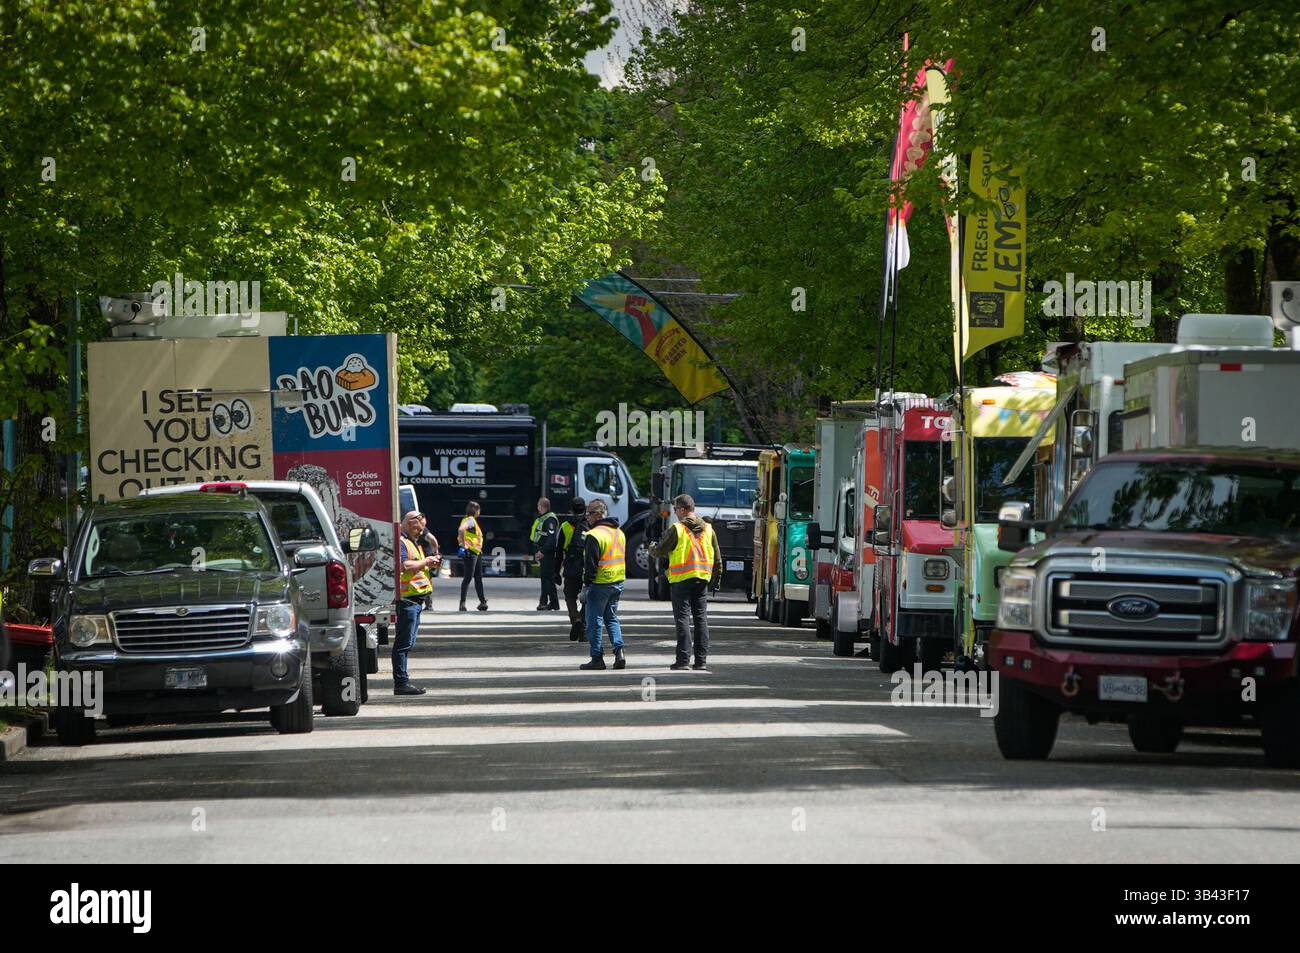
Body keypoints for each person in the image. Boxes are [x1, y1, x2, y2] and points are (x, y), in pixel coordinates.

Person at [654, 493, 721, 671]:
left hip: (682, 580)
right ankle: (701, 661)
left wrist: (652, 548)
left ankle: (683, 660)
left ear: (683, 509)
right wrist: (716, 580)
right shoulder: (708, 529)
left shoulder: (677, 529)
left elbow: (661, 550)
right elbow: (718, 559)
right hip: (702, 580)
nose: (675, 512)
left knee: (682, 619)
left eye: (676, 509)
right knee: (701, 619)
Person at [394, 510, 438, 695]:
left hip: (415, 601)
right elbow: (405, 566)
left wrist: (430, 563)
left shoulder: (414, 543)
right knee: (403, 644)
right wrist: (427, 561)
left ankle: (402, 682)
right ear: (411, 522)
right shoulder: (402, 542)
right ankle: (401, 683)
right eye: (419, 528)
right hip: (407, 600)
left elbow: (418, 567)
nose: (421, 532)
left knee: (407, 643)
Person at [580, 499, 626, 670]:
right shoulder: (619, 533)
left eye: (590, 513)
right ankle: (619, 652)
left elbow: (590, 565)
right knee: (612, 618)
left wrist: (586, 586)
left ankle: (597, 658)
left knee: (594, 621)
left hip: (600, 584)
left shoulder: (595, 535)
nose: (587, 517)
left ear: (599, 514)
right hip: (617, 582)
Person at [555, 497, 589, 641]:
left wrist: (556, 571)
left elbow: (559, 551)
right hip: (586, 567)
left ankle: (575, 619)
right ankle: (583, 627)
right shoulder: (590, 525)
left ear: (572, 509)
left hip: (570, 567)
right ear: (585, 508)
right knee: (587, 598)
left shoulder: (565, 526)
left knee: (570, 597)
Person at [530, 497, 561, 611]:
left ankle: (544, 602)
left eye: (539, 505)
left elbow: (551, 539)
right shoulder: (544, 518)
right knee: (547, 578)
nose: (537, 507)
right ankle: (553, 603)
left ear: (543, 506)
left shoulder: (550, 520)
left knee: (546, 578)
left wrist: (542, 551)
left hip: (547, 553)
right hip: (544, 551)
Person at [457, 501, 488, 612]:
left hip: (477, 552)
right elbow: (461, 529)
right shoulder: (470, 520)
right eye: (479, 510)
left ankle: (483, 602)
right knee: (468, 577)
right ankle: (462, 603)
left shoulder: (471, 520)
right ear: (476, 511)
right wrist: (463, 545)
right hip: (471, 552)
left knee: (478, 577)